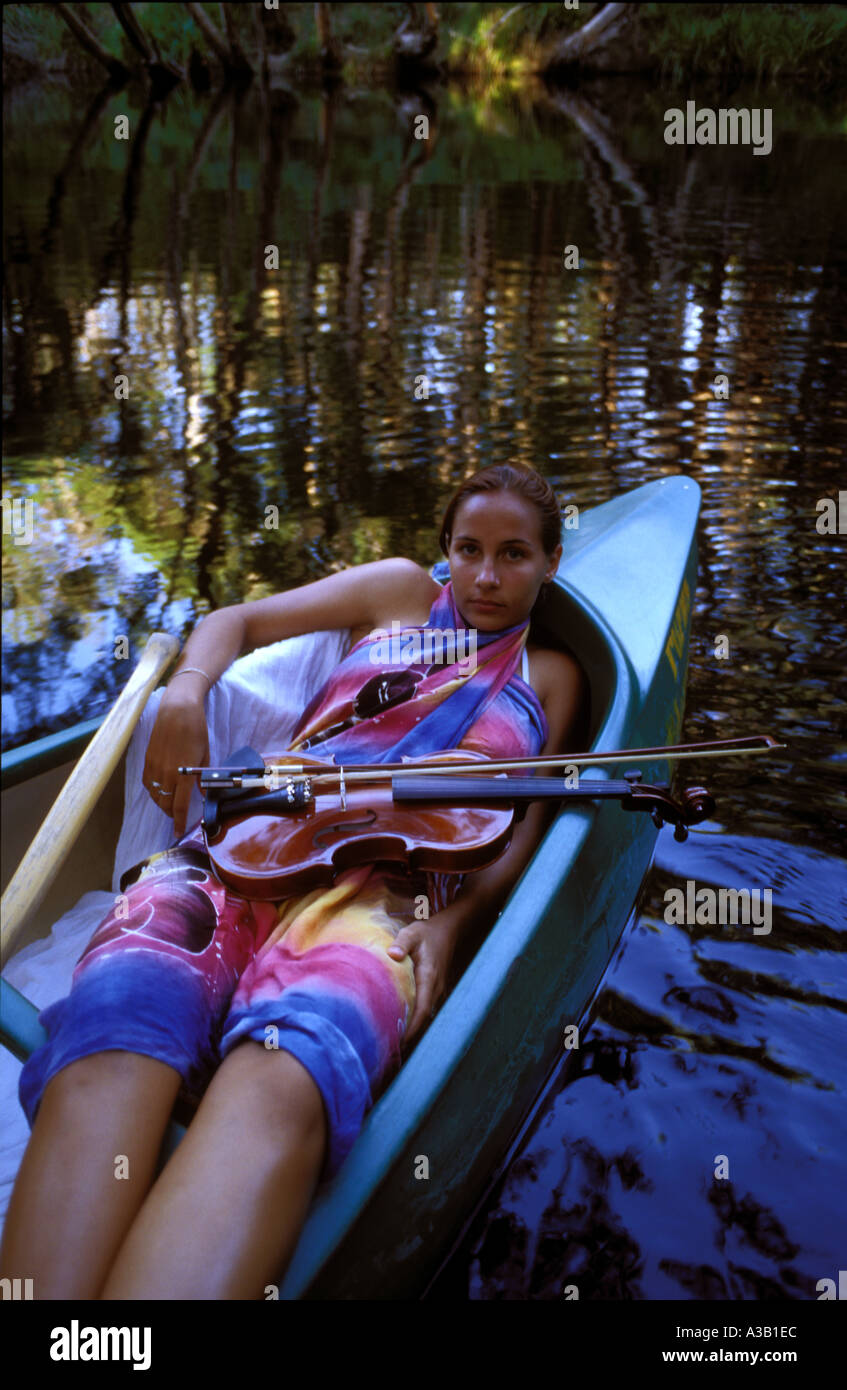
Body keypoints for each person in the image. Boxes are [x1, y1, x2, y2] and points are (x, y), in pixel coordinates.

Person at [0, 464, 586, 1300]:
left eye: (514, 554)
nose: (486, 576)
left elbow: (523, 825)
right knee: (123, 995)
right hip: (253, 839)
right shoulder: (396, 593)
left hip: (391, 891)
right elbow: (234, 620)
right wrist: (187, 691)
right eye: (469, 550)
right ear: (445, 551)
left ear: (551, 561)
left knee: (291, 1063)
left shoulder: (550, 676)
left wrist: (454, 926)